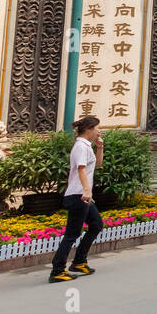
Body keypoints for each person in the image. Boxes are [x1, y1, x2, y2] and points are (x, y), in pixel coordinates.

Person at [50, 116, 105, 283]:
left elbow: (97, 166)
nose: (98, 131)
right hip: (79, 195)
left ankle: (79, 262)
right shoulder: (80, 147)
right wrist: (87, 190)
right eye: (96, 128)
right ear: (88, 129)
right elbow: (81, 169)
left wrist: (100, 148)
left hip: (84, 195)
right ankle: (57, 271)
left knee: (96, 225)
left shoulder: (87, 147)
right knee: (72, 234)